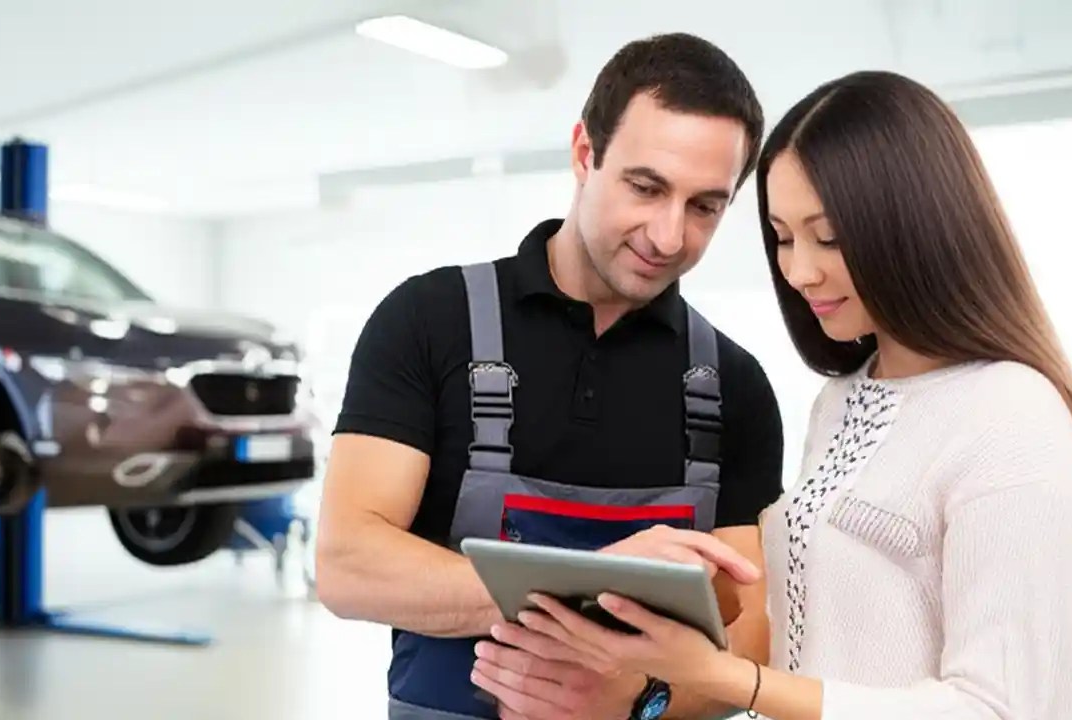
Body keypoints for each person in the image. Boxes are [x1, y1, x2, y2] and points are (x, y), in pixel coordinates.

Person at [509, 69, 1072, 719]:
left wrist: (724, 677)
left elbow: (999, 709)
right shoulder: (840, 405)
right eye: (782, 236)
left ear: (916, 226)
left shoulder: (1012, 414)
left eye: (828, 237)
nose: (799, 270)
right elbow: (828, 644)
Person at [315, 32, 785, 720]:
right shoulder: (428, 321)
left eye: (704, 206)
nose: (667, 235)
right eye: (646, 187)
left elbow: (750, 639)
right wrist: (598, 584)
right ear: (584, 153)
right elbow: (348, 564)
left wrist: (637, 699)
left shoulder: (735, 385)